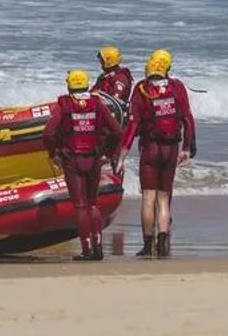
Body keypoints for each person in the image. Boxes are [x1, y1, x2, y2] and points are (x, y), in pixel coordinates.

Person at [115, 50, 196, 258]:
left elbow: (133, 125)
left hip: (150, 148)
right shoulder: (177, 87)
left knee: (148, 197)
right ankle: (162, 243)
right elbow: (187, 118)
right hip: (171, 148)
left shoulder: (142, 89)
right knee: (163, 198)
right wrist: (187, 148)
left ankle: (147, 244)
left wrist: (122, 155)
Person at [44, 69, 123, 261]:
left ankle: (86, 250)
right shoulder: (97, 103)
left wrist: (53, 153)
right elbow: (117, 131)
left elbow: (48, 133)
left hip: (72, 160)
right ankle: (98, 247)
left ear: (69, 85)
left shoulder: (65, 105)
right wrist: (108, 152)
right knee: (93, 203)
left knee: (80, 206)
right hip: (94, 158)